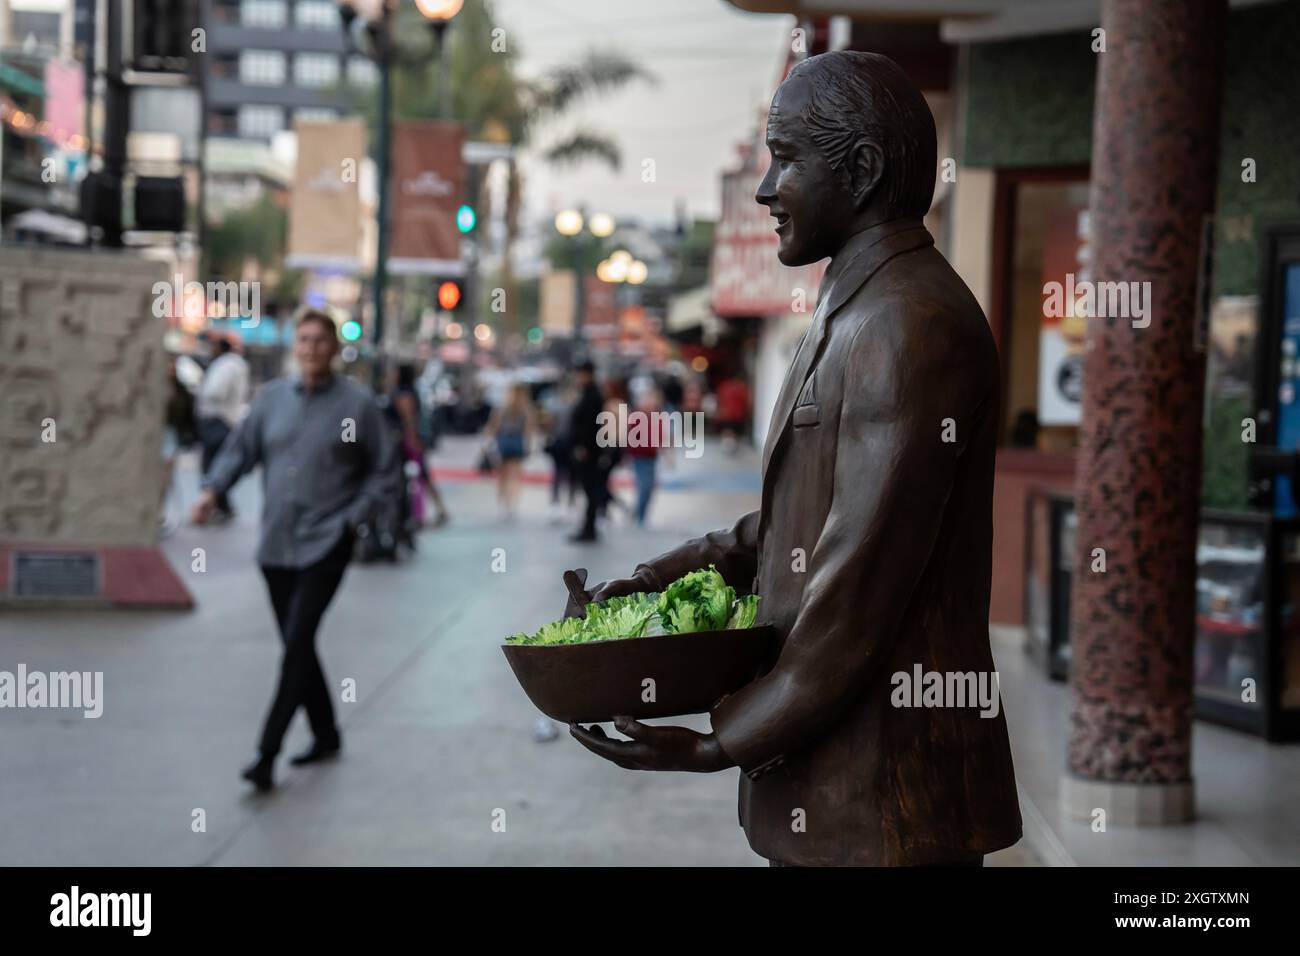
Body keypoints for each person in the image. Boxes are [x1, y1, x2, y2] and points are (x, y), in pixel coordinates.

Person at [565, 51, 1021, 867]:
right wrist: (666, 574)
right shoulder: (860, 307)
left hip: (887, 797)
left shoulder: (906, 326)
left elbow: (855, 592)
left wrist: (715, 746)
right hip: (838, 787)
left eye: (788, 158)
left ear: (863, 169)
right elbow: (804, 517)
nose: (767, 188)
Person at [192, 309, 397, 792]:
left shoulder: (357, 405)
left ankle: (267, 752)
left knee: (297, 642)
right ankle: (326, 734)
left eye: (319, 341)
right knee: (296, 643)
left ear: (334, 349)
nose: (309, 348)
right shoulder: (272, 400)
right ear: (295, 347)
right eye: (302, 340)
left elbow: (384, 472)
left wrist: (354, 519)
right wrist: (211, 490)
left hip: (327, 542)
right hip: (276, 543)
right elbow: (240, 450)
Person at [195, 336, 250, 521]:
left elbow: (214, 391)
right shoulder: (236, 365)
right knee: (218, 465)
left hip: (218, 420)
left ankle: (218, 506)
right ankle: (220, 506)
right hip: (228, 419)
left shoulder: (226, 365)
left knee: (213, 466)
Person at [392, 364, 450, 528]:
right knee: (423, 475)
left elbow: (409, 418)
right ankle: (437, 510)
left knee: (416, 477)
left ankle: (418, 514)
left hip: (409, 442)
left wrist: (412, 438)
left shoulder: (404, 393)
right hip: (414, 440)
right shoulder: (413, 391)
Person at [482, 382, 536, 522]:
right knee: (511, 476)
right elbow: (528, 431)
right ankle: (508, 504)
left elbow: (493, 428)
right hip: (510, 443)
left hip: (506, 443)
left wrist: (489, 442)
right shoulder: (516, 410)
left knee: (506, 476)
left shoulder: (512, 410)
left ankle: (505, 503)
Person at [568, 360, 607, 543]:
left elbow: (592, 425)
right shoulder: (587, 394)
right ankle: (588, 526)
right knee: (589, 490)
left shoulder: (593, 396)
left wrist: (584, 447)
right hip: (588, 450)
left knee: (590, 489)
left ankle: (589, 528)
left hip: (590, 452)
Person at [541, 378, 578, 523]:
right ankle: (560, 504)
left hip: (568, 443)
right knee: (561, 474)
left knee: (568, 474)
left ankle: (567, 503)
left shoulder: (558, 405)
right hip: (561, 443)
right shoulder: (559, 405)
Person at [627, 387, 664, 526]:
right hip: (640, 457)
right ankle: (640, 517)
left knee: (649, 488)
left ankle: (639, 513)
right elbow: (630, 437)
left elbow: (661, 436)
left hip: (652, 457)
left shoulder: (656, 416)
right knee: (644, 486)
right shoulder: (636, 416)